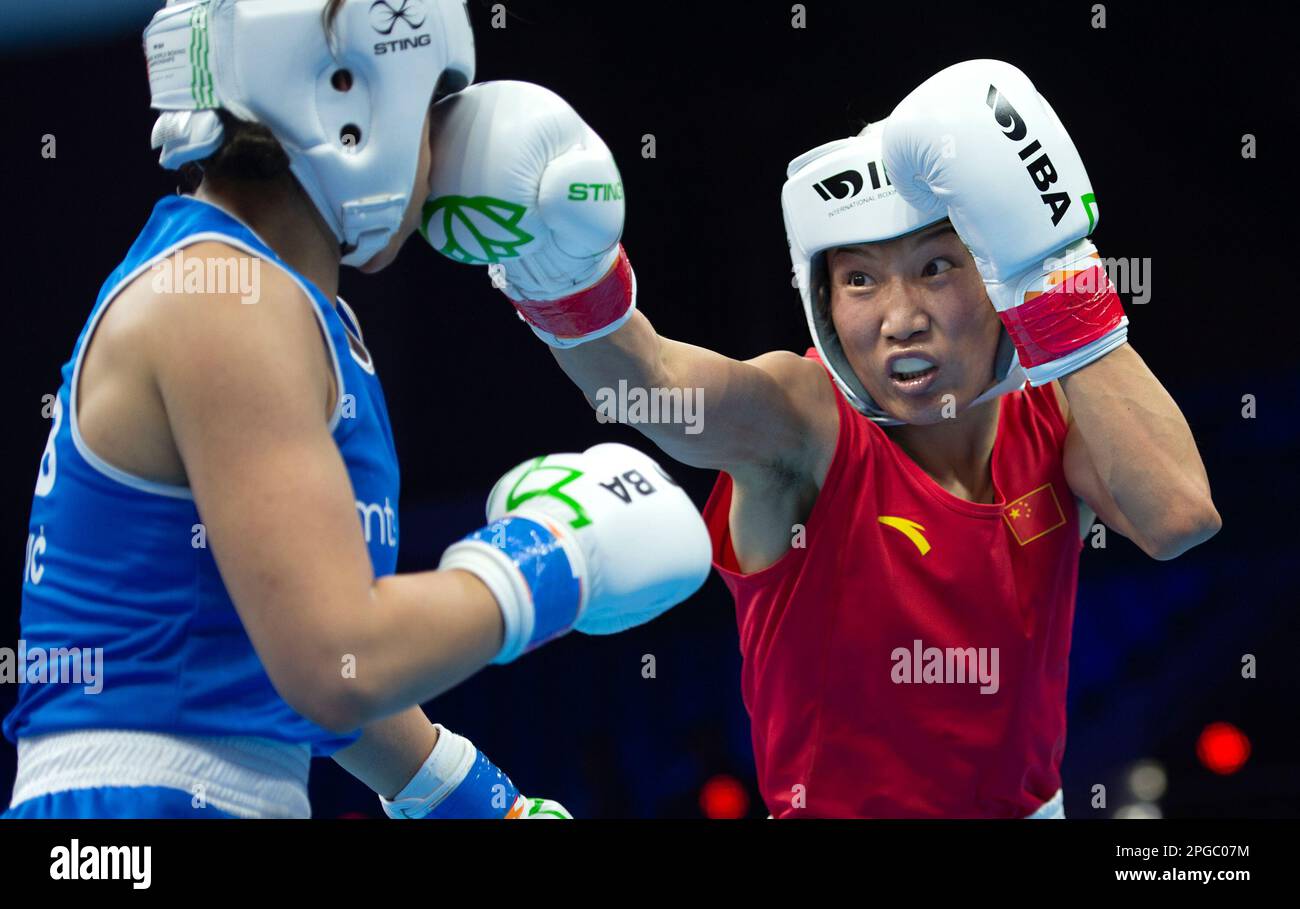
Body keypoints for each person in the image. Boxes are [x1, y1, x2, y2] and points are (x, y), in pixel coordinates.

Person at [421, 61, 1222, 817]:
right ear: (823, 303)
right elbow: (655, 384)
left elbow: (1178, 515)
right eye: (860, 279)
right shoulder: (806, 423)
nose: (900, 317)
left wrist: (1056, 272)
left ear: (995, 272)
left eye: (937, 267)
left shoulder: (1053, 404)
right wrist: (557, 271)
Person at [3, 0, 710, 820]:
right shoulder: (225, 302)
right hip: (140, 810)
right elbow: (339, 657)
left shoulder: (269, 300)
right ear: (347, 97)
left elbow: (297, 654)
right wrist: (557, 554)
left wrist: (482, 803)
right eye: (432, 111)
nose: (443, 153)